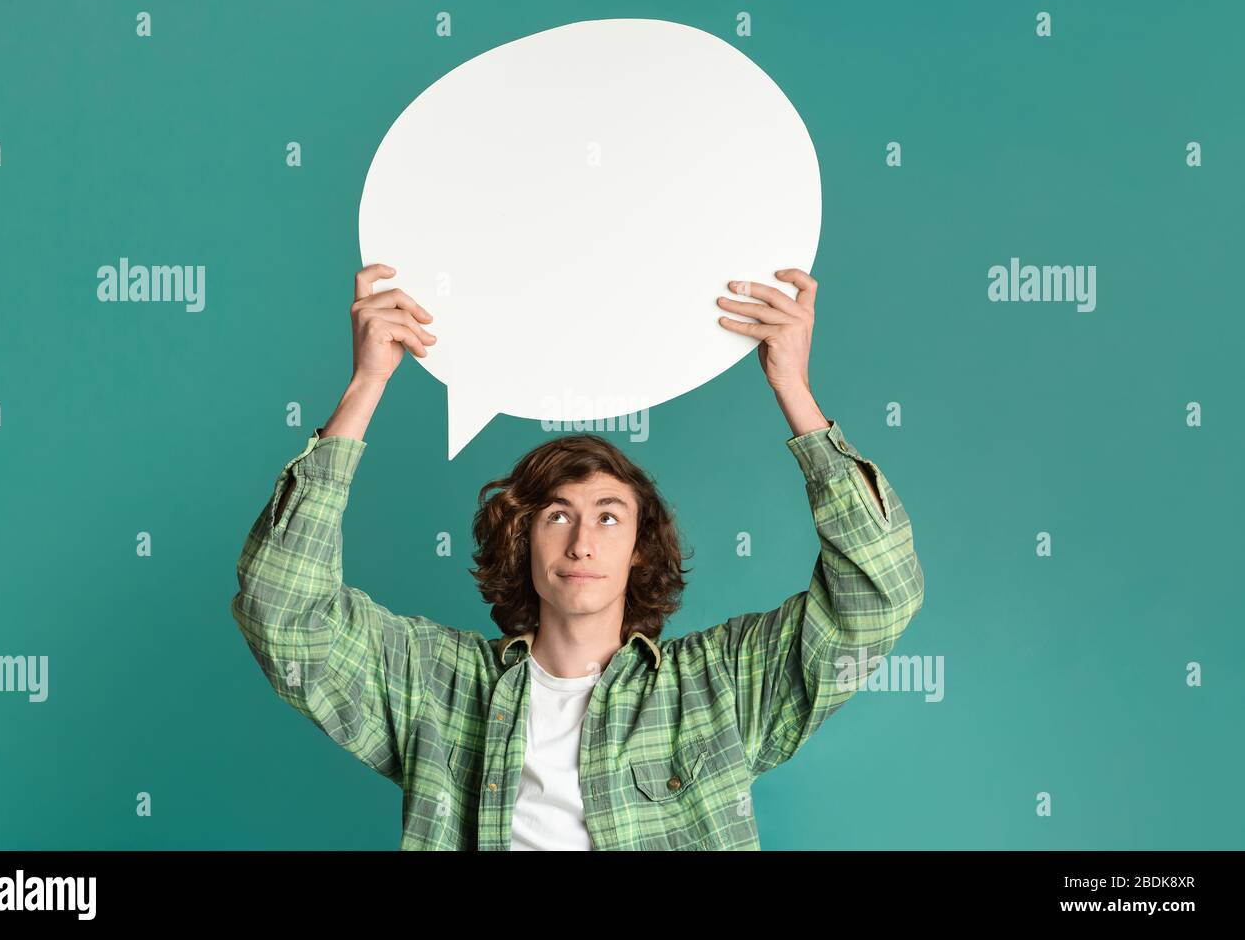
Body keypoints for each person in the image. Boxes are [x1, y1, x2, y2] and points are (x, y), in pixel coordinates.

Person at [230, 262, 925, 850]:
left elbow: (878, 593)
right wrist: (366, 386)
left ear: (639, 548)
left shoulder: (719, 688)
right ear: (520, 538)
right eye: (557, 515)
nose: (582, 541)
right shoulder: (434, 686)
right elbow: (281, 609)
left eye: (609, 517)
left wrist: (793, 392)